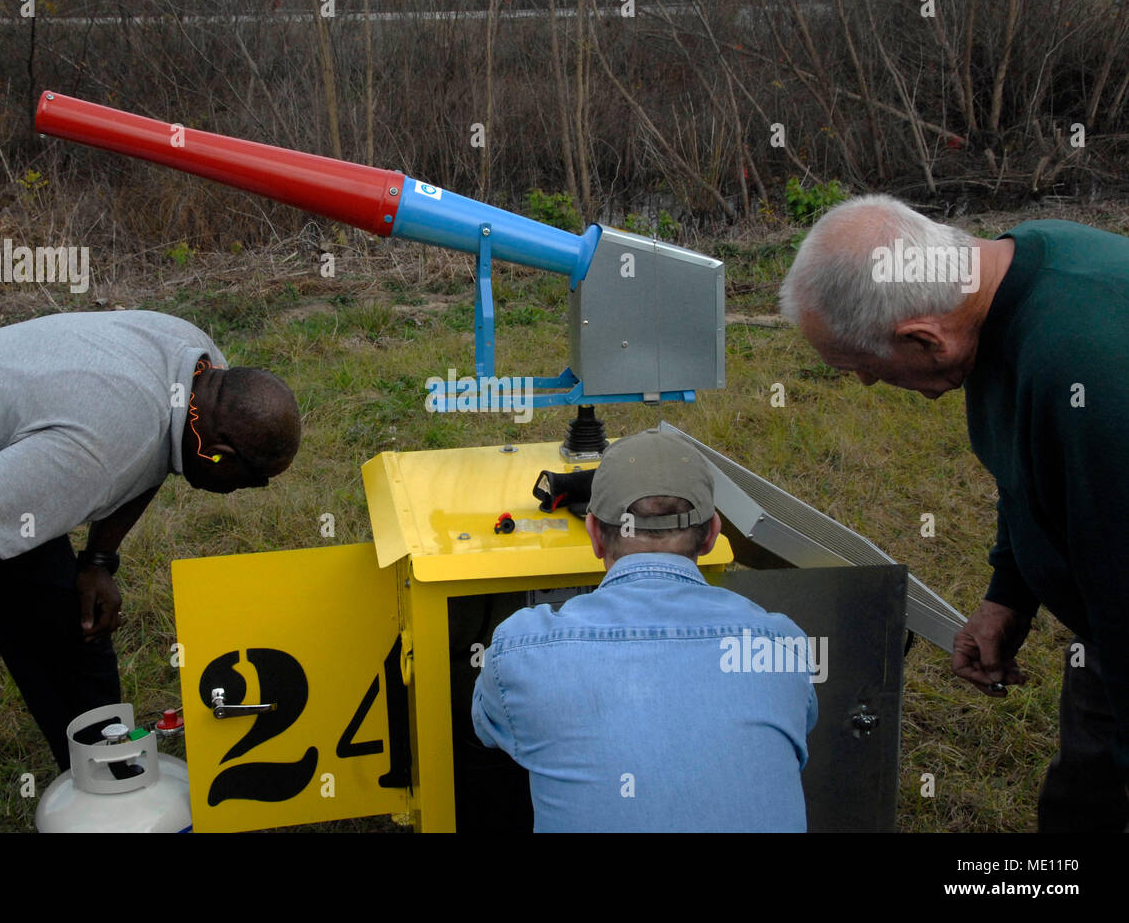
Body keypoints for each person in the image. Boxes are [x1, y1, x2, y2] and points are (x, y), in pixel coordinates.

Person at [0, 309, 300, 832]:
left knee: (68, 640)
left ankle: (111, 806)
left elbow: (159, 455)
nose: (242, 493)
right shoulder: (100, 445)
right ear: (219, 455)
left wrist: (99, 560)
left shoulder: (201, 370)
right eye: (249, 481)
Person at [779, 194, 1129, 831]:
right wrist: (1008, 594)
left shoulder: (1091, 376)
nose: (862, 383)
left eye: (862, 367)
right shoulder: (999, 277)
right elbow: (1029, 467)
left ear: (921, 338)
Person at [471, 428, 818, 831]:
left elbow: (488, 728)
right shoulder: (781, 648)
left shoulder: (520, 651)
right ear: (711, 534)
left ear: (595, 534)